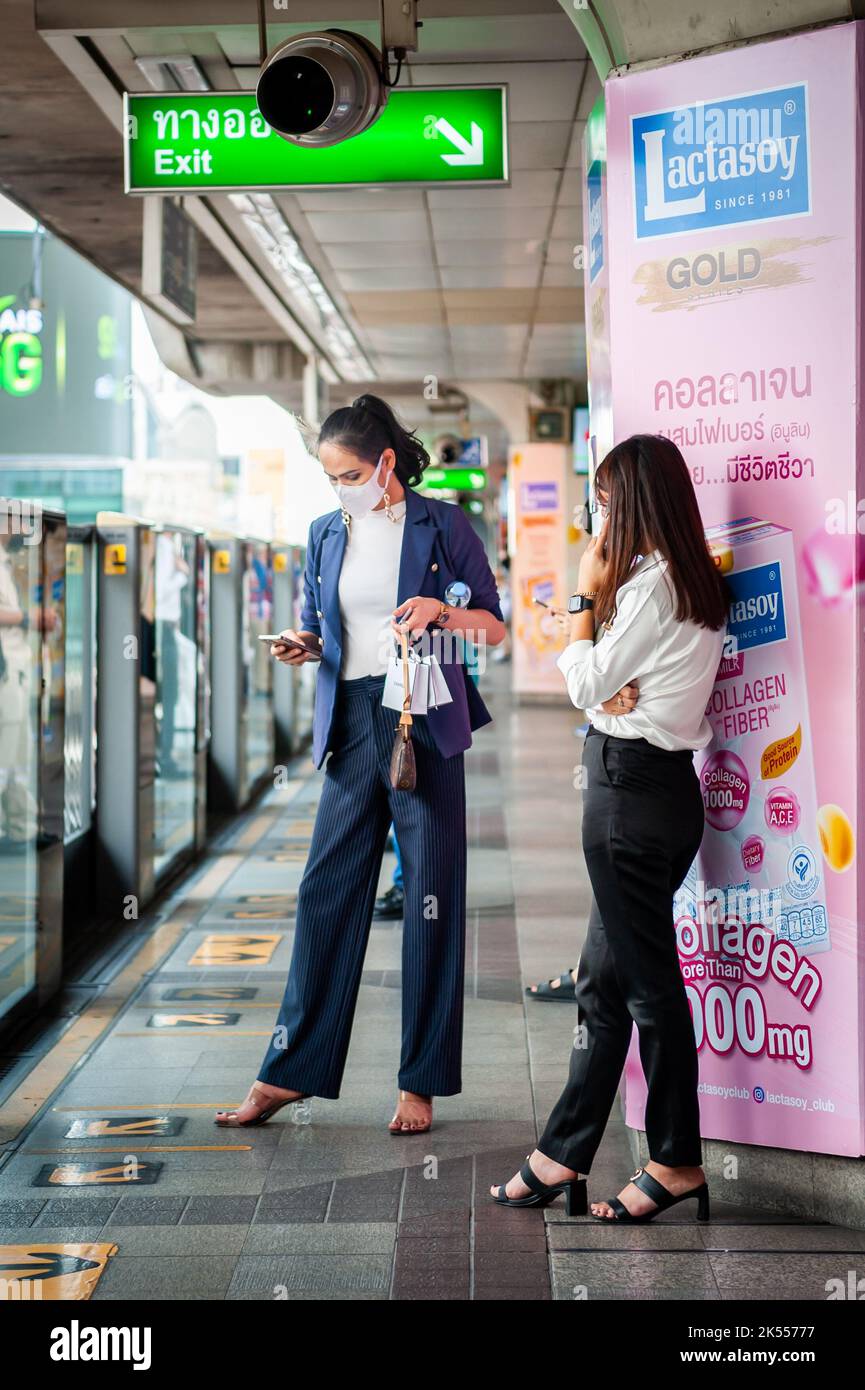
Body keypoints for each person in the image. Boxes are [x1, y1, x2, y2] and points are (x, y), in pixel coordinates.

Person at [216, 394, 505, 1135]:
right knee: (325, 892)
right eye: (328, 477)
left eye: (347, 473)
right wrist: (303, 642)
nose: (338, 488)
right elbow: (325, 625)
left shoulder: (444, 524)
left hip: (424, 714)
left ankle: (420, 1081)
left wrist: (443, 613)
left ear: (384, 463)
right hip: (350, 718)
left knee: (432, 898)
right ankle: (289, 1071)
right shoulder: (324, 533)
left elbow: (494, 628)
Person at [492, 434, 727, 1223]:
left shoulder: (647, 589)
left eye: (602, 498)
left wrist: (585, 600)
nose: (596, 514)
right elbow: (601, 691)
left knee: (650, 992)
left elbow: (587, 683)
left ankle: (676, 1161)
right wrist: (599, 684)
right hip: (657, 794)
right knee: (602, 983)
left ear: (628, 503)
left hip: (627, 797)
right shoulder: (684, 579)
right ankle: (564, 1153)